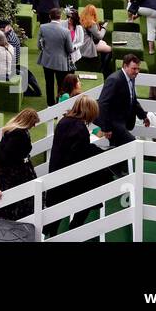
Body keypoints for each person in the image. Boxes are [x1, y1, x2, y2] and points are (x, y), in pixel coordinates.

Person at [44, 95, 105, 237]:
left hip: (56, 172)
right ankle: (74, 228)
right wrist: (97, 152)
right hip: (69, 177)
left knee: (57, 211)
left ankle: (52, 234)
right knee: (92, 196)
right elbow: (79, 155)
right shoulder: (80, 129)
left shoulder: (64, 121)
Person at [0, 108, 40, 221]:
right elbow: (9, 155)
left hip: (4, 170)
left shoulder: (13, 129)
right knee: (11, 198)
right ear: (28, 121)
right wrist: (23, 161)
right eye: (33, 123)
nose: (34, 126)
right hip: (10, 173)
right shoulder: (19, 134)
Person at [96, 54, 150, 148]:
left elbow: (133, 99)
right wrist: (106, 127)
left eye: (138, 69)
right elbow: (103, 103)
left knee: (117, 149)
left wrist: (143, 116)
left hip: (122, 123)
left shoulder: (131, 78)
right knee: (132, 144)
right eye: (134, 68)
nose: (137, 71)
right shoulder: (114, 80)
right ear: (125, 66)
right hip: (114, 124)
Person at [38, 8, 73, 106]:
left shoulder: (42, 27)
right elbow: (70, 49)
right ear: (60, 17)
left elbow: (39, 45)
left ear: (50, 16)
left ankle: (50, 105)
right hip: (61, 62)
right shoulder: (66, 31)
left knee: (49, 83)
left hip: (47, 61)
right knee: (61, 85)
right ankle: (59, 105)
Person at [79, 4, 114, 76]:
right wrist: (104, 28)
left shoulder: (81, 20)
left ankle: (101, 63)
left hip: (81, 44)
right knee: (110, 49)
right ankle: (104, 69)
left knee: (104, 43)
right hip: (87, 46)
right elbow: (100, 36)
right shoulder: (91, 23)